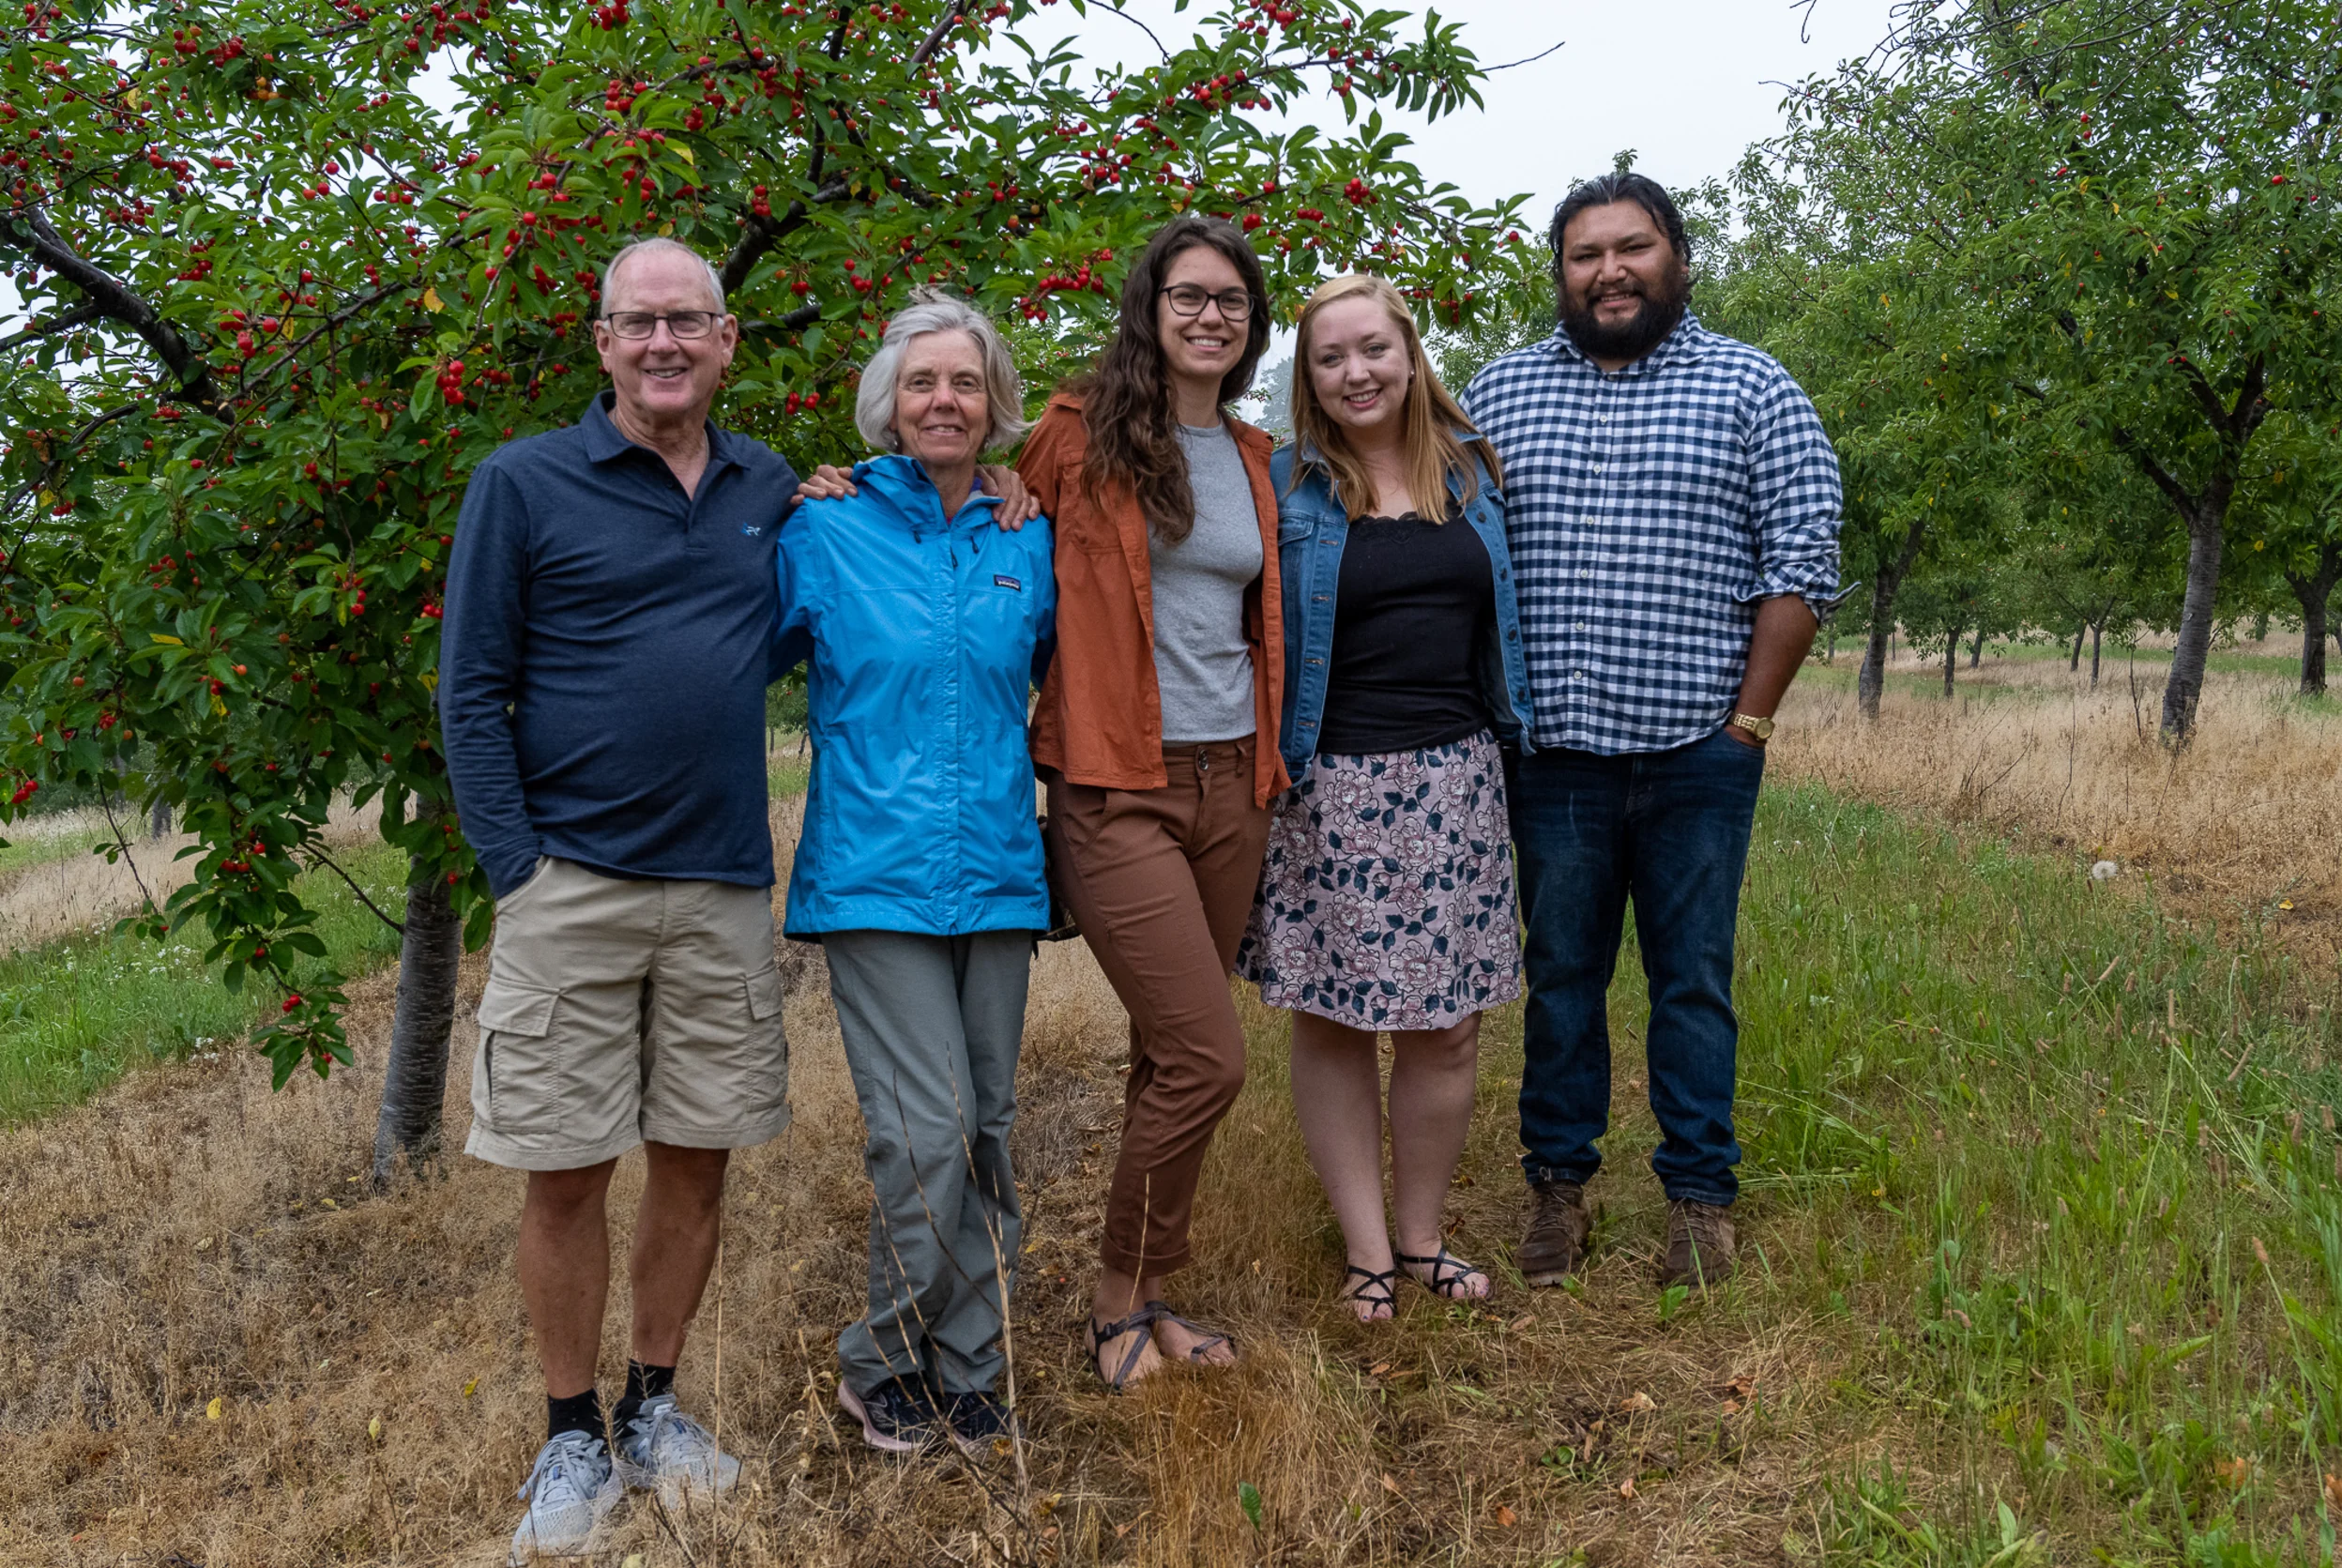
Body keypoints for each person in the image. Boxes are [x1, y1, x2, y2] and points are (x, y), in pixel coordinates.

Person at [442, 237, 791, 1562]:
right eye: (637, 322)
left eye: (685, 322)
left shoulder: (771, 487)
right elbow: (472, 689)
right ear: (601, 342)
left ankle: (654, 1401)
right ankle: (570, 1428)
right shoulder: (522, 481)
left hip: (717, 884)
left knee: (697, 1156)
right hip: (570, 884)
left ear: (726, 339)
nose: (662, 343)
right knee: (566, 1167)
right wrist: (516, 869)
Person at [1460, 172, 1843, 1291]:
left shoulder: (1753, 388)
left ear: (1678, 257)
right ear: (1561, 274)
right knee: (1562, 977)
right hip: (1556, 757)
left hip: (1699, 754)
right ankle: (1558, 1194)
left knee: (1692, 981)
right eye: (1586, 255)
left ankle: (1699, 1203)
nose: (1610, 271)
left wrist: (1748, 727)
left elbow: (1803, 562)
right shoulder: (1501, 393)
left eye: (1632, 248)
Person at [771, 294, 1055, 1455]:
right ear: (886, 403)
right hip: (874, 877)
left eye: (968, 383)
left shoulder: (1026, 532)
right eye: (924, 382)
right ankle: (878, 1357)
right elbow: (727, 645)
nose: (945, 400)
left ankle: (971, 1366)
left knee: (986, 1123)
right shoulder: (822, 529)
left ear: (996, 410)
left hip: (994, 866)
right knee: (923, 1133)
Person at [1017, 216, 1286, 1389]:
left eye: (1231, 300)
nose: (1210, 315)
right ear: (1150, 306)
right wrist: (852, 483)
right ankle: (1117, 1300)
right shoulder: (1073, 436)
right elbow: (968, 516)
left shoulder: (1256, 455)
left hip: (1235, 782)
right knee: (1207, 1058)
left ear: (1251, 322)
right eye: (1190, 295)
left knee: (1161, 1055)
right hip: (1116, 784)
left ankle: (1151, 1294)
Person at [1237, 273, 1537, 1321]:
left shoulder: (1475, 478)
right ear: (1308, 379)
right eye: (1331, 357)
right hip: (1331, 787)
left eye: (1373, 350)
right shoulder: (1281, 487)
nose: (1356, 371)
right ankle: (1366, 1251)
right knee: (1332, 1020)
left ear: (1411, 357)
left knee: (1446, 1027)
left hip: (1459, 782)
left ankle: (1420, 1240)